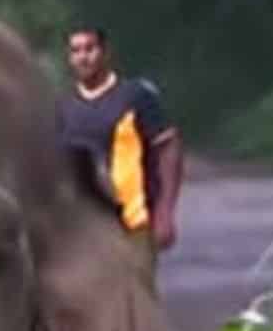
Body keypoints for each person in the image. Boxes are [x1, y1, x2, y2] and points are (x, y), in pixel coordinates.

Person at [54, 25, 184, 253]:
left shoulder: (135, 97)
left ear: (105, 52)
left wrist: (165, 212)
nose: (83, 57)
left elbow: (168, 149)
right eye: (76, 51)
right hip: (80, 228)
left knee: (132, 288)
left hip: (132, 223)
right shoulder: (63, 105)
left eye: (90, 49)